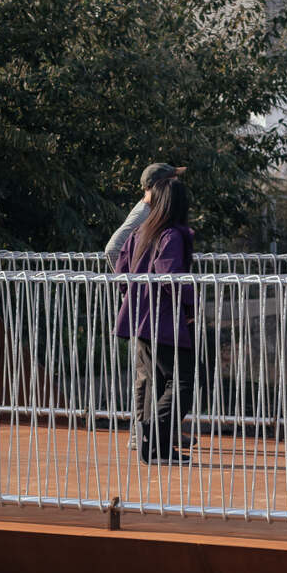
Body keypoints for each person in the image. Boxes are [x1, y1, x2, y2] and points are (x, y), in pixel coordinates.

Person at [113, 176, 196, 462]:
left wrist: (134, 297)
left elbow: (121, 270)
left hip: (140, 317)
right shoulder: (170, 235)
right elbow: (170, 276)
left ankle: (155, 448)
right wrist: (189, 307)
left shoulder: (140, 233)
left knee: (156, 384)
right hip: (164, 320)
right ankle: (151, 431)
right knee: (183, 382)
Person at [105, 163, 184, 265]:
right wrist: (128, 278)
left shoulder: (154, 209)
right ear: (158, 187)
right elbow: (113, 249)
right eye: (173, 184)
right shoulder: (144, 213)